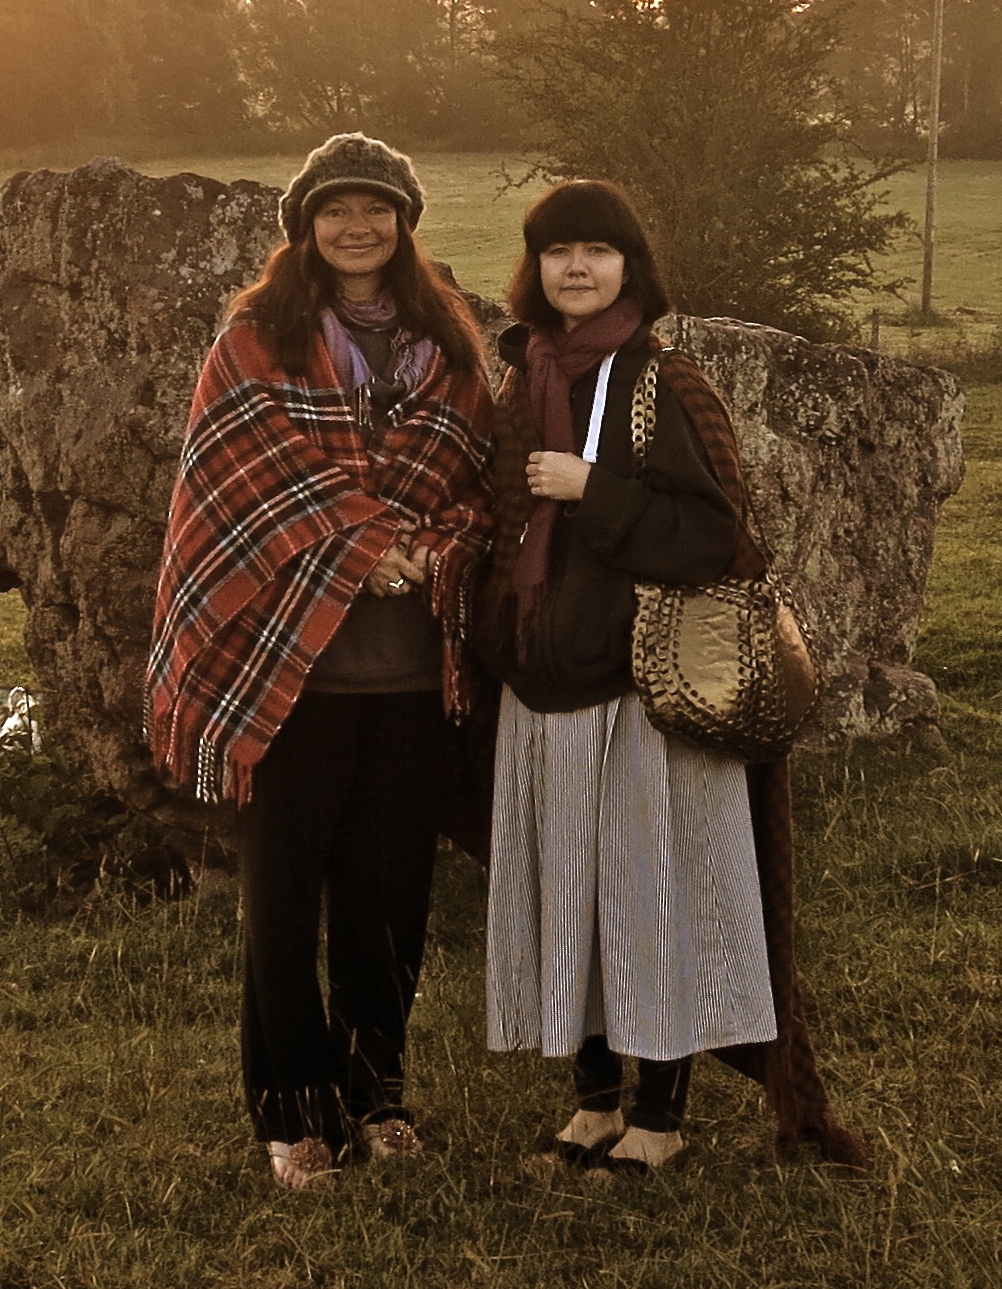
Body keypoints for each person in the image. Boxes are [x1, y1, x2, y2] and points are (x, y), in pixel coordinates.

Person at [478, 179, 866, 1177]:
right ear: (535, 269)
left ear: (629, 268)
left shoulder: (666, 382)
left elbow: (713, 538)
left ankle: (660, 1114)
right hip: (545, 688)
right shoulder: (520, 379)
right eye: (557, 250)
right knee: (575, 899)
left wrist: (593, 491)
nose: (575, 266)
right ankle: (595, 1105)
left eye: (597, 251)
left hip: (642, 693)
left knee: (648, 902)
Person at [146, 133, 497, 1190]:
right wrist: (365, 540)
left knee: (391, 900)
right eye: (336, 209)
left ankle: (377, 1094)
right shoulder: (253, 342)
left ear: (405, 224)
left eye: (376, 209)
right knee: (284, 900)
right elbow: (241, 477)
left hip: (405, 680)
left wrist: (434, 548)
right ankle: (293, 1112)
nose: (357, 227)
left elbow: (482, 490)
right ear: (305, 225)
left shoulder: (449, 352)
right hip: (284, 683)